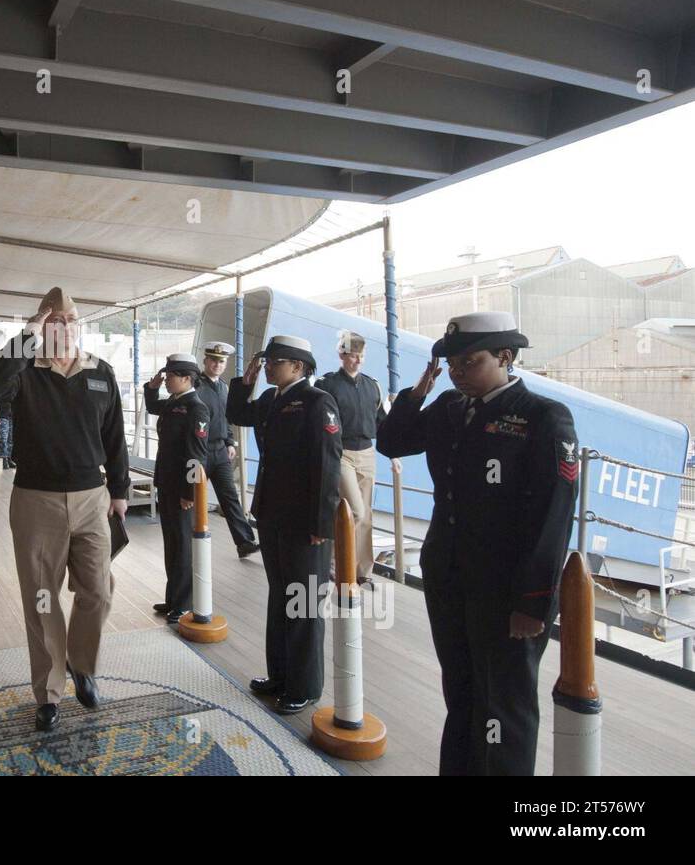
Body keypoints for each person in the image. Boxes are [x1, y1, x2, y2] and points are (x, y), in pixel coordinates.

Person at [377, 311, 578, 776]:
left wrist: (533, 603)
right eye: (451, 363)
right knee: (462, 691)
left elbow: (552, 516)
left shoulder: (542, 417)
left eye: (471, 361)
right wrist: (417, 392)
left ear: (506, 357)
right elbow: (392, 441)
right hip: (449, 576)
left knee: (503, 705)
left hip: (506, 591)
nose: (458, 372)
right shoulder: (448, 407)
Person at [0, 288, 129, 732]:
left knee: (98, 592)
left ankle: (82, 666)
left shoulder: (101, 373)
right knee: (42, 598)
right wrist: (26, 337)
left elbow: (116, 436)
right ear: (40, 328)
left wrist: (119, 492)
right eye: (53, 321)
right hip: (36, 501)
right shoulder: (24, 372)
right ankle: (49, 692)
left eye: (70, 320)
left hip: (92, 499)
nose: (63, 328)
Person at [227, 336, 342, 715]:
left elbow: (327, 466)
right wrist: (244, 383)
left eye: (275, 361)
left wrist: (322, 524)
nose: (269, 367)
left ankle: (305, 686)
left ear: (298, 366)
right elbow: (237, 415)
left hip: (304, 520)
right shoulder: (269, 400)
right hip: (272, 513)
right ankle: (280, 675)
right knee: (280, 596)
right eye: (268, 360)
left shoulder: (317, 402)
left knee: (304, 601)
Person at [314, 331, 387, 585]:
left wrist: (394, 454)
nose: (358, 361)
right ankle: (334, 562)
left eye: (361, 356)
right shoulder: (326, 385)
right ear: (341, 355)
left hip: (367, 451)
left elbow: (382, 422)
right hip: (340, 452)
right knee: (353, 509)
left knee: (366, 514)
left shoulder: (372, 386)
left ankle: (361, 571)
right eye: (353, 355)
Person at [143, 354, 210, 622]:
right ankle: (173, 598)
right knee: (171, 543)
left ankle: (183, 604)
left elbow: (197, 455)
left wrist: (189, 492)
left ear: (186, 378)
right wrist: (152, 387)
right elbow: (151, 407)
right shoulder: (174, 403)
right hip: (167, 481)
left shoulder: (196, 408)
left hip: (182, 489)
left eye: (170, 376)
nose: (167, 380)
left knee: (182, 546)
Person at [198, 341, 260, 558]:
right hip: (199, 452)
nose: (217, 364)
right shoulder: (195, 386)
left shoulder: (224, 388)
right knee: (193, 497)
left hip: (220, 451)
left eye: (221, 361)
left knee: (230, 497)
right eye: (213, 360)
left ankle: (244, 542)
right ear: (205, 360)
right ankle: (190, 542)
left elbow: (227, 418)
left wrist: (230, 441)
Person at [0, 397, 16, 470]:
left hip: (12, 415)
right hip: (2, 415)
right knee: (3, 439)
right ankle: (5, 460)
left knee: (10, 439)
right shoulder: (1, 389)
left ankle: (9, 459)